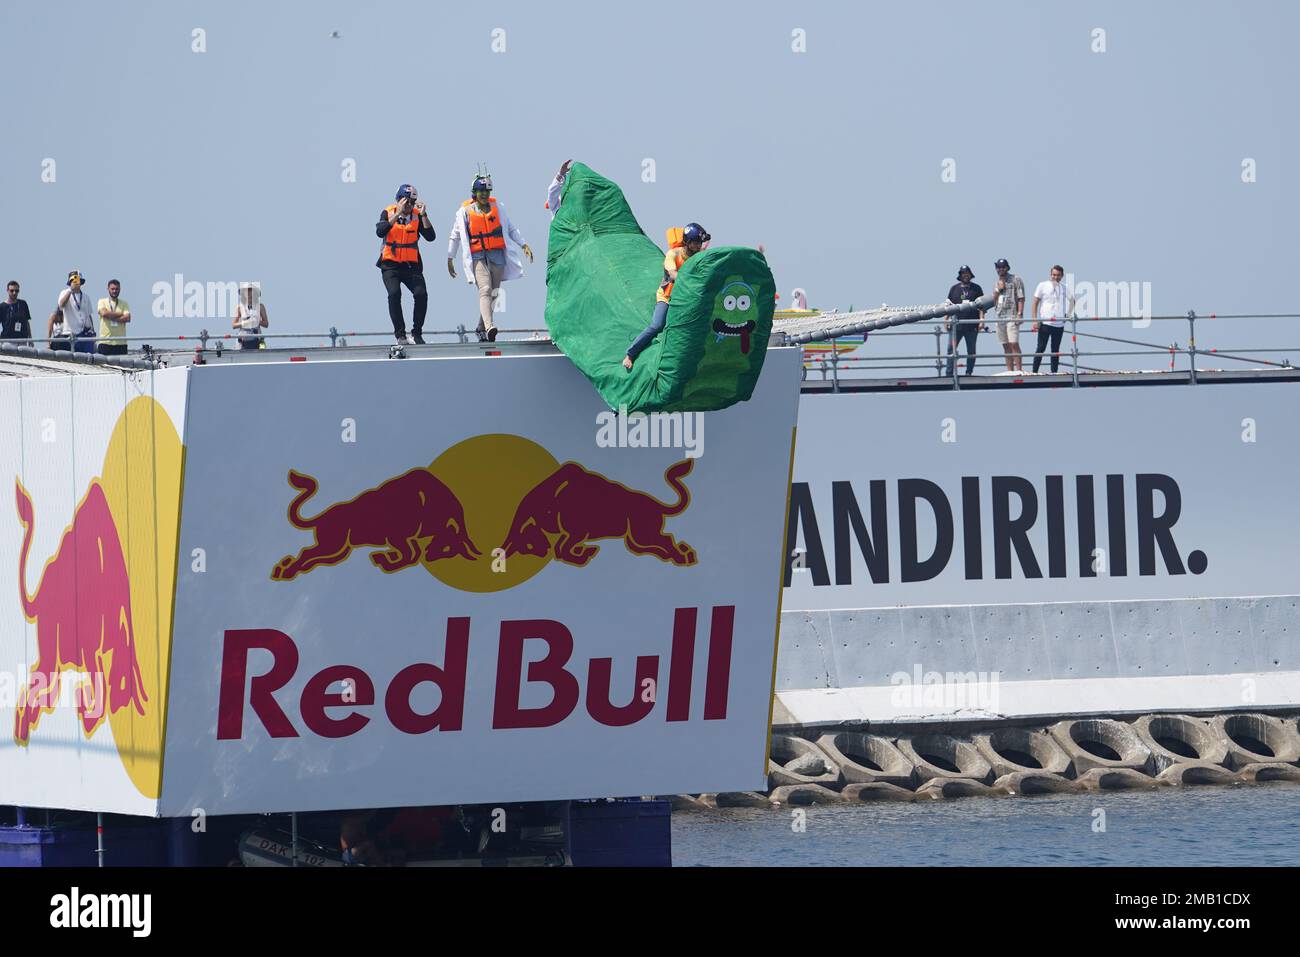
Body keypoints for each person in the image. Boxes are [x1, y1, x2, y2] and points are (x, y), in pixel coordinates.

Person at [447, 174, 532, 342]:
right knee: (484, 289)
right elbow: (455, 236)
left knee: (495, 293)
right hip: (478, 256)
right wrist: (451, 257)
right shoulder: (464, 212)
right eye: (481, 191)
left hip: (497, 254)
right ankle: (490, 326)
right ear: (474, 193)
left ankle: (481, 327)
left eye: (487, 191)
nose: (484, 194)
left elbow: (510, 228)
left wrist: (523, 244)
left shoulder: (498, 207)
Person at [623, 222, 710, 370]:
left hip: (684, 300)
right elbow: (672, 273)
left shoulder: (697, 257)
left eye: (700, 243)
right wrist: (686, 280)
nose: (699, 246)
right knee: (657, 325)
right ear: (688, 242)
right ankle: (630, 354)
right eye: (696, 243)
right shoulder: (674, 254)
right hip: (667, 298)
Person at [376, 184, 436, 344]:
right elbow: (380, 231)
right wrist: (398, 213)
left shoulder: (417, 216)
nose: (410, 205)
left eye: (412, 202)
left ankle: (417, 333)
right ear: (399, 200)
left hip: (411, 266)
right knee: (394, 294)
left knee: (421, 294)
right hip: (390, 265)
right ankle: (400, 335)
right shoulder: (388, 212)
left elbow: (431, 237)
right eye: (407, 202)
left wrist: (424, 216)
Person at [1031, 264, 1074, 373]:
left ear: (1062, 276)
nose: (1056, 277)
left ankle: (1054, 372)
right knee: (1041, 348)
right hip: (1045, 323)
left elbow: (1072, 300)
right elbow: (1035, 302)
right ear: (1050, 275)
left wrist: (1068, 314)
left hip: (1059, 324)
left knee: (1055, 350)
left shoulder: (1064, 287)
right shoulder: (1042, 285)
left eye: (1058, 275)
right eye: (1054, 275)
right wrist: (1035, 320)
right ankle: (1034, 372)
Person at [944, 265, 985, 377]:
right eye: (963, 273)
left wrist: (982, 321)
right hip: (956, 326)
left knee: (971, 351)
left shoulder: (977, 288)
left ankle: (969, 372)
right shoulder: (954, 289)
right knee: (950, 349)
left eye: (967, 273)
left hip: (972, 326)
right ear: (960, 275)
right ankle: (948, 373)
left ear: (970, 274)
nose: (965, 275)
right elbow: (948, 306)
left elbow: (982, 306)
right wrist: (946, 320)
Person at [49, 269, 97, 353]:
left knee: (87, 358)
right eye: (73, 280)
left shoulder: (86, 297)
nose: (76, 282)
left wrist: (92, 330)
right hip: (70, 333)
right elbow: (61, 305)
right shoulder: (64, 292)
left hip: (84, 333)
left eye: (78, 280)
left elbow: (89, 315)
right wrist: (71, 290)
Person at [991, 258, 1025, 372]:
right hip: (1000, 316)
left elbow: (1021, 298)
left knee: (1014, 343)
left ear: (1007, 267)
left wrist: (1020, 314)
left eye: (1003, 267)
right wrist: (997, 290)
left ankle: (1019, 370)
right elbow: (993, 301)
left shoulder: (1016, 279)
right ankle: (1010, 371)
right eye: (998, 267)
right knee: (1005, 345)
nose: (1000, 269)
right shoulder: (996, 282)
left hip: (1012, 315)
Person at [96, 279, 131, 357]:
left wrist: (112, 317)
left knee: (123, 368)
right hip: (105, 343)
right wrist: (121, 314)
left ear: (120, 289)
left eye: (117, 289)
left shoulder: (124, 303)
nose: (114, 291)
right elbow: (104, 313)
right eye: (112, 289)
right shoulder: (102, 301)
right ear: (108, 289)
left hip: (121, 343)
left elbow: (128, 318)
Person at [231, 283, 268, 350]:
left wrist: (256, 321)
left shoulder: (260, 306)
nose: (249, 294)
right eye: (247, 292)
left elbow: (266, 324)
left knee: (260, 356)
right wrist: (244, 323)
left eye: (251, 292)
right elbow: (233, 325)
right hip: (242, 341)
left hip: (257, 340)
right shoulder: (239, 307)